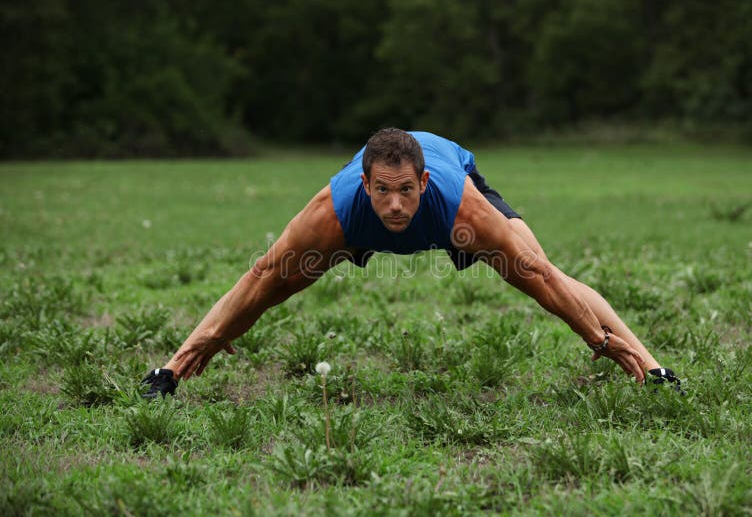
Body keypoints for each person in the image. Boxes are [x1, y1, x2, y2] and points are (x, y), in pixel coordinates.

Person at [142, 129, 682, 398]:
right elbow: (260, 277)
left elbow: (543, 281)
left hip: (453, 202)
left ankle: (652, 368)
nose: (396, 205)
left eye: (406, 190)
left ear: (423, 182)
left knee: (541, 270)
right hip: (355, 228)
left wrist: (599, 341)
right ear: (365, 185)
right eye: (383, 191)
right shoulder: (334, 212)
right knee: (274, 285)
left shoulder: (462, 207)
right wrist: (193, 348)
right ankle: (168, 371)